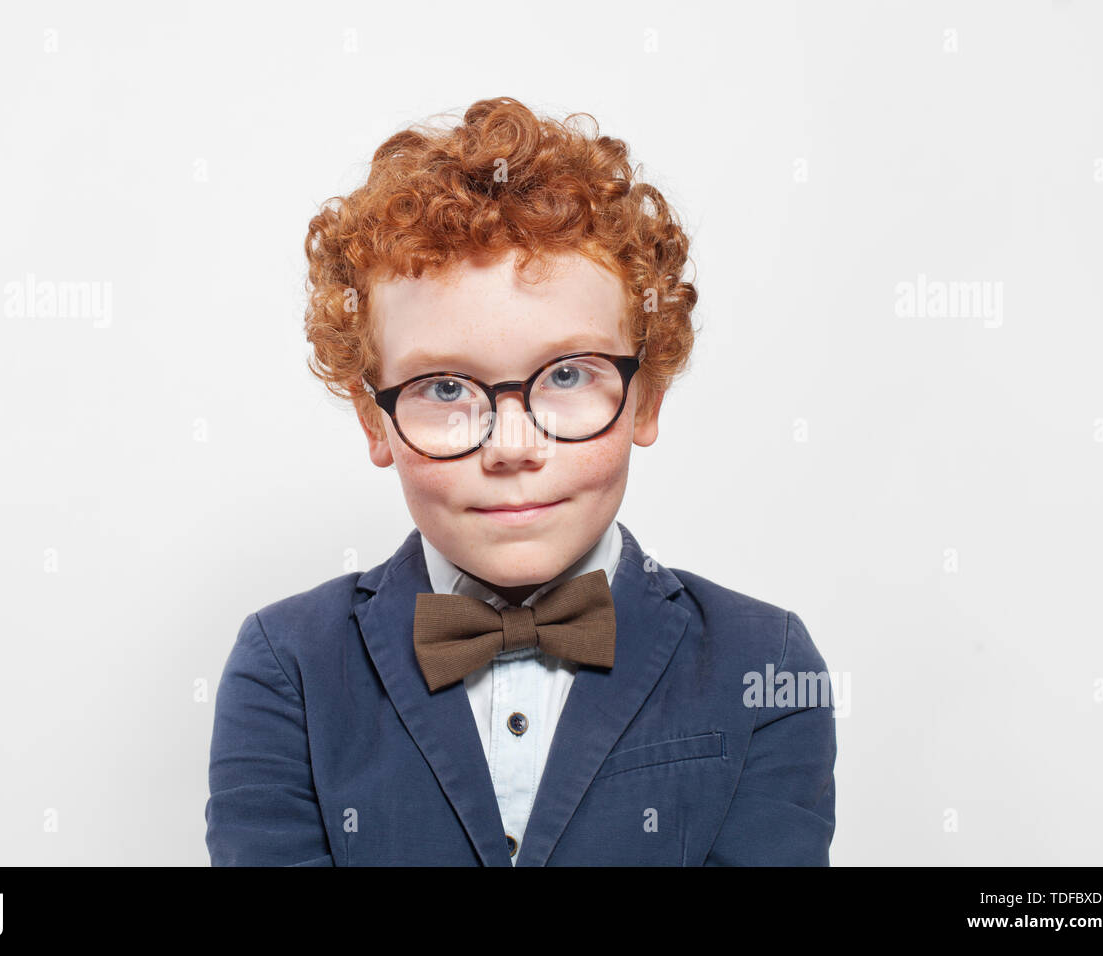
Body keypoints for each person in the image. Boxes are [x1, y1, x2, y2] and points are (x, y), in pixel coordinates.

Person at [205, 96, 836, 866]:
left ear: (647, 397)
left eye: (569, 373)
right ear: (376, 424)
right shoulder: (286, 667)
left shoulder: (763, 661)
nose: (511, 445)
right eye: (444, 388)